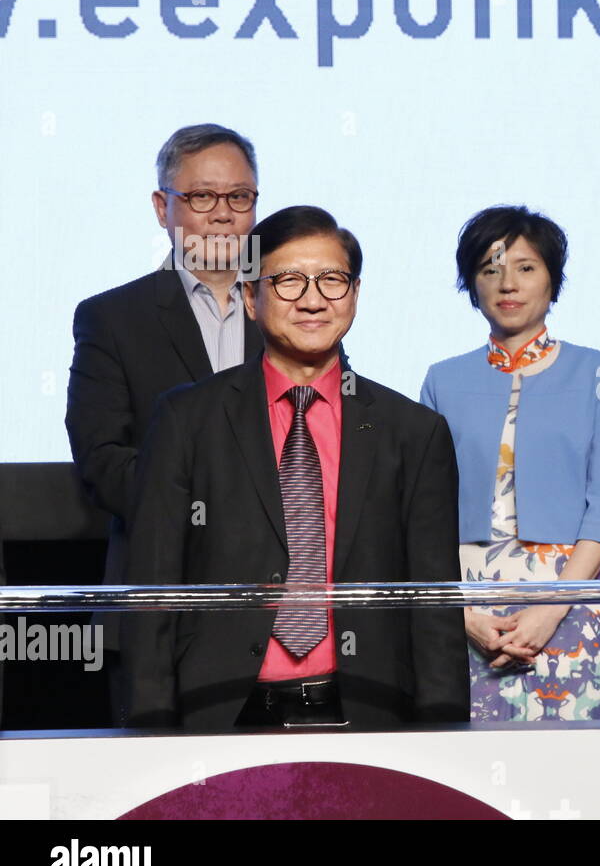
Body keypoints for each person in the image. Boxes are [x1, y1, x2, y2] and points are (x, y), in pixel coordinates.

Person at [119, 206, 467, 730]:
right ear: (250, 298)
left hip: (370, 712)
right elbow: (154, 590)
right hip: (220, 711)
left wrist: (444, 734)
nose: (312, 299)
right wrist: (150, 730)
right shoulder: (187, 418)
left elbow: (434, 607)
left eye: (332, 280)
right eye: (287, 281)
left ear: (354, 294)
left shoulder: (413, 431)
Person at [65, 124, 266, 724]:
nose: (223, 215)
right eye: (202, 197)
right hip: (162, 609)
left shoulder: (294, 308)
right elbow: (104, 458)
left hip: (285, 614)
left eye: (240, 198)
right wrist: (214, 511)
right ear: (163, 207)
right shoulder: (113, 318)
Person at [421, 206, 600, 722]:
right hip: (469, 605)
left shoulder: (598, 371)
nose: (507, 283)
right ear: (471, 284)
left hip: (571, 598)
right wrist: (463, 615)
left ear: (553, 280)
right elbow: (421, 515)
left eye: (525, 267)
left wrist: (550, 610)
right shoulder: (441, 380)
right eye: (490, 268)